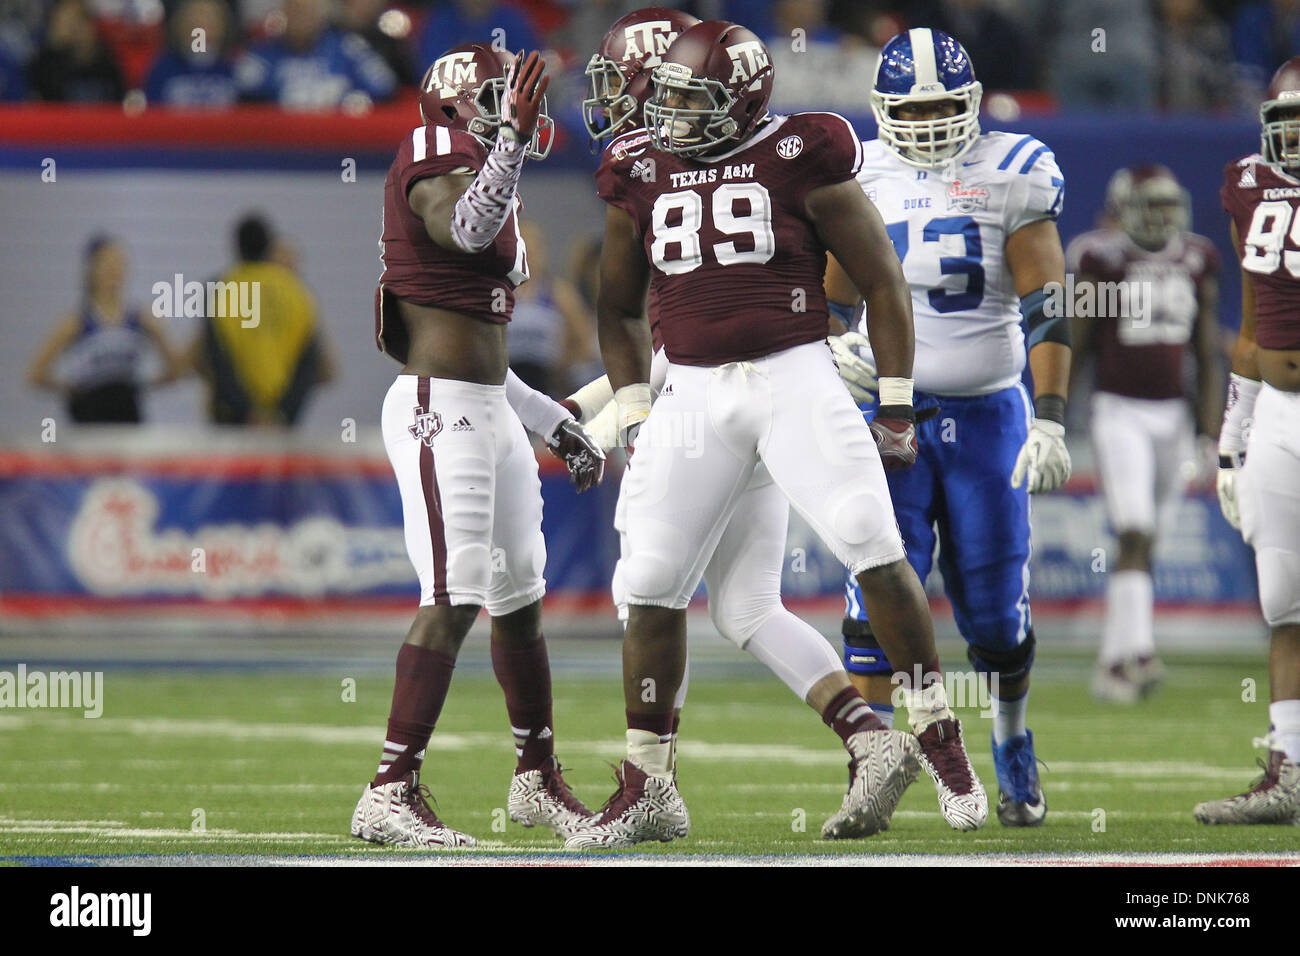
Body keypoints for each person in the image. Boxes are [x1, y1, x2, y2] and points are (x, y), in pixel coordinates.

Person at [564, 19, 982, 849]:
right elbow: (614, 305)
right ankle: (649, 784)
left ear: (745, 98)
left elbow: (880, 281)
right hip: (692, 392)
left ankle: (937, 730)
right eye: (670, 98)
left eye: (695, 101)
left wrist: (895, 402)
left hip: (794, 375)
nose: (674, 116)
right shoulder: (638, 168)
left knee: (869, 534)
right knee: (649, 581)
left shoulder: (805, 151)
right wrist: (634, 408)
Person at [350, 43, 605, 848]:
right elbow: (463, 228)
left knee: (520, 598)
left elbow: (487, 348)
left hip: (488, 406)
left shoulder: (492, 165)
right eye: (497, 96)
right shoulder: (433, 149)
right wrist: (510, 144)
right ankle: (389, 790)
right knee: (455, 594)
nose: (512, 109)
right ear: (459, 100)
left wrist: (547, 418)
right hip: (436, 409)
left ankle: (535, 778)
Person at [825, 28, 1072, 827]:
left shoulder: (1014, 169)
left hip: (990, 413)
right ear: (882, 110)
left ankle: (1010, 736)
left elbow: (1047, 305)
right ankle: (874, 767)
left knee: (996, 615)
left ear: (971, 103)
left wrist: (1054, 419)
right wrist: (830, 353)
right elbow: (829, 301)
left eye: (942, 106)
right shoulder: (858, 168)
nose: (929, 122)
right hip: (888, 413)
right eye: (913, 108)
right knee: (874, 594)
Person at [1066, 165, 1221, 703]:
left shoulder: (1197, 258)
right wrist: (1053, 416)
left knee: (1147, 539)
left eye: (1165, 204)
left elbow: (1206, 352)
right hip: (1119, 410)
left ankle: (1113, 664)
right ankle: (1141, 651)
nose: (1158, 217)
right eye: (1146, 205)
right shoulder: (1101, 258)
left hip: (1173, 415)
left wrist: (1208, 433)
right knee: (1133, 528)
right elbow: (1078, 340)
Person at [1195, 56, 1300, 824]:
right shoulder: (1247, 184)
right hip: (1279, 414)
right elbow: (1252, 323)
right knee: (1284, 604)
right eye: (1285, 124)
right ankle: (1290, 770)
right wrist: (1233, 438)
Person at [192, 215, 335, 426]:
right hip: (281, 419)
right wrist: (282, 412)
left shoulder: (221, 290)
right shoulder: (298, 293)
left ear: (236, 247)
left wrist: (248, 412)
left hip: (233, 418)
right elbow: (307, 362)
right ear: (269, 247)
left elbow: (218, 360)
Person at [29, 235, 185, 423]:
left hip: (127, 414)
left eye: (119, 263)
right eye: (107, 264)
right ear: (92, 270)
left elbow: (176, 369)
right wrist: (72, 388)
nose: (114, 270)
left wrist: (143, 386)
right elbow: (36, 374)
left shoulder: (141, 319)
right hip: (89, 415)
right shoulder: (77, 322)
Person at [235, 0, 397, 109]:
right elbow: (244, 92)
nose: (302, 18)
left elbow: (384, 85)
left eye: (308, 11)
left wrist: (350, 98)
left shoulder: (350, 48)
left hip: (338, 143)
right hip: (279, 145)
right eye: (296, 11)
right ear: (284, 13)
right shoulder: (262, 54)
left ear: (321, 14)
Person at [143, 0, 238, 107]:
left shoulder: (235, 68)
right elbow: (152, 113)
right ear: (181, 23)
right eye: (196, 16)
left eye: (210, 17)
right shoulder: (163, 69)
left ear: (224, 23)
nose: (202, 23)